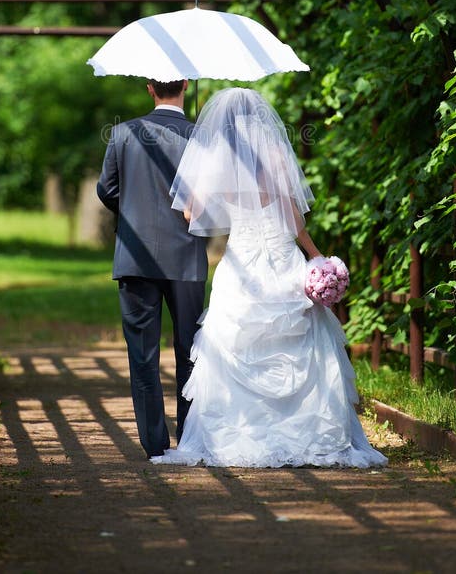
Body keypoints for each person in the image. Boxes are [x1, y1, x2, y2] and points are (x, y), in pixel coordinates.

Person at [151, 87, 388, 468]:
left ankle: (237, 433)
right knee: (303, 342)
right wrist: (316, 257)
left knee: (235, 342)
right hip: (281, 259)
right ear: (262, 121)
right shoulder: (275, 153)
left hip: (241, 261)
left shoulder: (217, 158)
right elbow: (293, 218)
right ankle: (309, 433)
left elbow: (190, 216)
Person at [96, 79, 209, 459]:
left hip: (135, 256)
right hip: (186, 257)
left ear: (149, 88)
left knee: (142, 354)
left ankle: (154, 445)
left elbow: (106, 189)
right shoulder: (201, 137)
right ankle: (190, 438)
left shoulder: (123, 133)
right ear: (186, 85)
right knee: (190, 351)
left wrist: (132, 214)